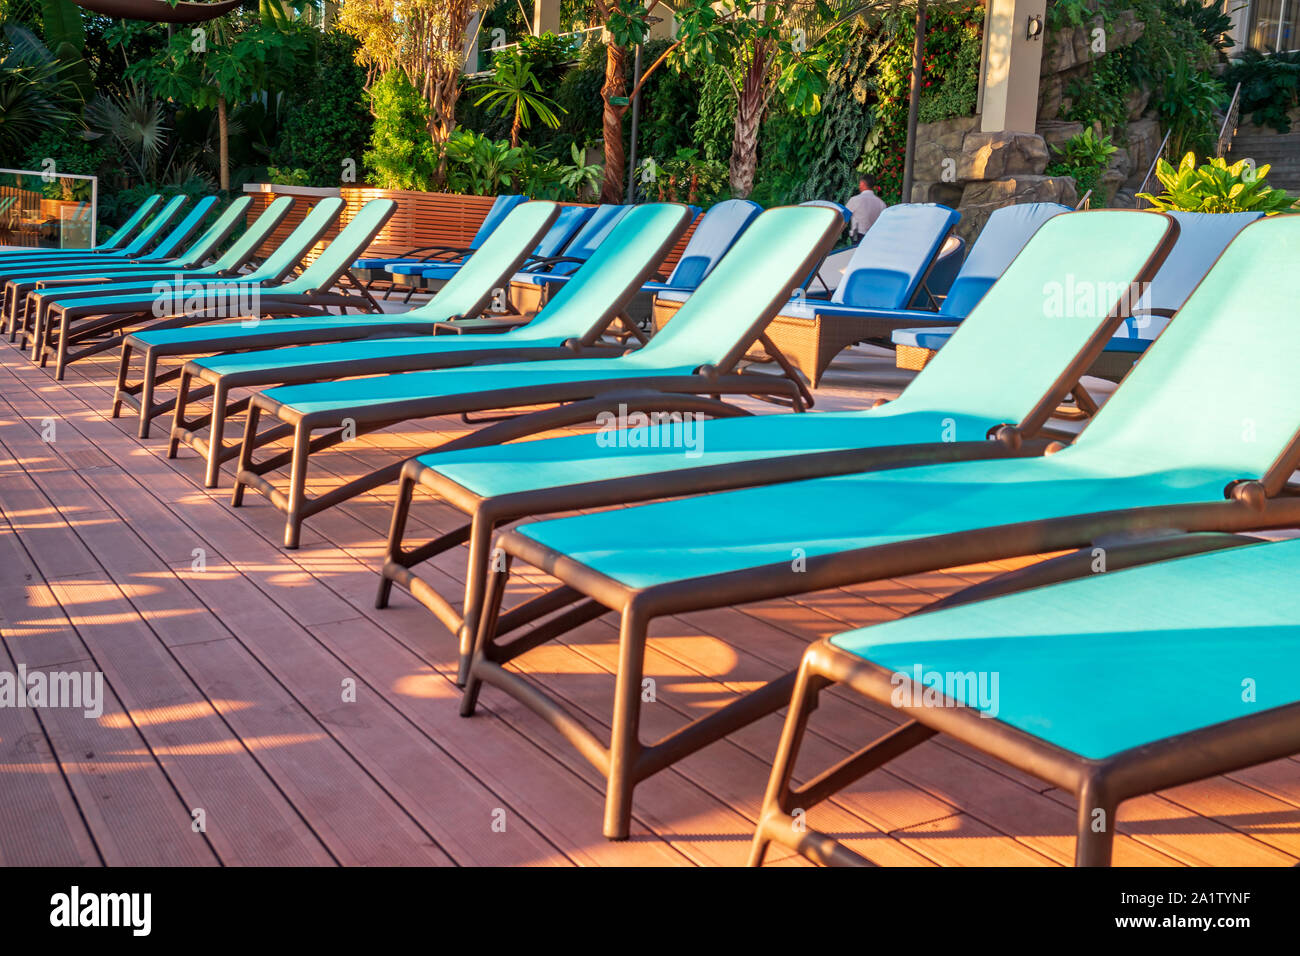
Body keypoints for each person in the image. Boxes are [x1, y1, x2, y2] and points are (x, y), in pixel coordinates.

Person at [846, 174, 887, 241]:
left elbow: (844, 217)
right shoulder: (881, 204)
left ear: (862, 183)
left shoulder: (855, 200)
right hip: (874, 238)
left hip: (858, 236)